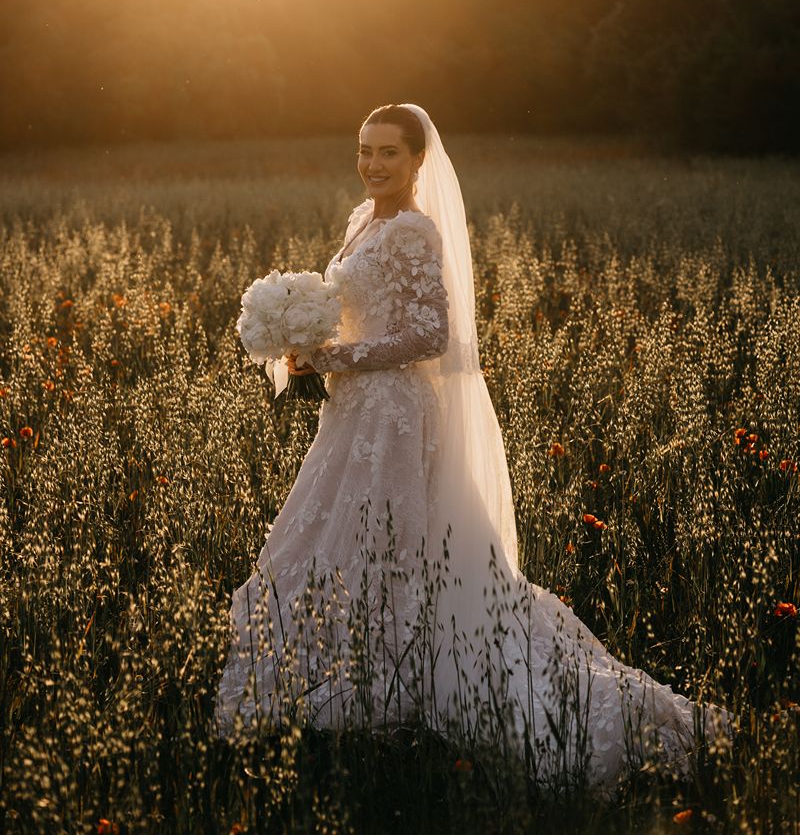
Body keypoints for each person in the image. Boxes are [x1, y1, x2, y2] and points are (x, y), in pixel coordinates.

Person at [214, 102, 731, 795]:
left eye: (388, 153)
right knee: (328, 542)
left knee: (391, 549)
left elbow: (432, 336)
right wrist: (306, 340)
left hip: (393, 414)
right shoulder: (365, 220)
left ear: (417, 161)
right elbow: (368, 313)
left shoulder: (415, 231)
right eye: (365, 150)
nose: (372, 164)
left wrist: (338, 355)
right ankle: (344, 688)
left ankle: (413, 692)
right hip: (354, 412)